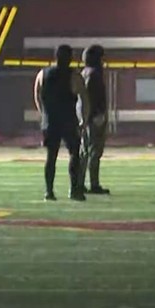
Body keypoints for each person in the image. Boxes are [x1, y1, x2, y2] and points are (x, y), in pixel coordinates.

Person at [34, 45, 88, 201]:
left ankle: (49, 192)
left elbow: (37, 94)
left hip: (51, 121)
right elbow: (84, 98)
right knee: (74, 155)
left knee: (51, 157)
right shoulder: (74, 75)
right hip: (68, 120)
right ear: (70, 58)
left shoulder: (42, 74)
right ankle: (74, 190)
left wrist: (44, 113)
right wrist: (83, 120)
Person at [78, 44, 110, 195]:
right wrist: (96, 114)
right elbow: (91, 97)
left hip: (84, 117)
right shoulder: (94, 74)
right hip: (93, 117)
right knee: (94, 151)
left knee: (85, 151)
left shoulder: (84, 73)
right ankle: (93, 184)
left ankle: (79, 182)